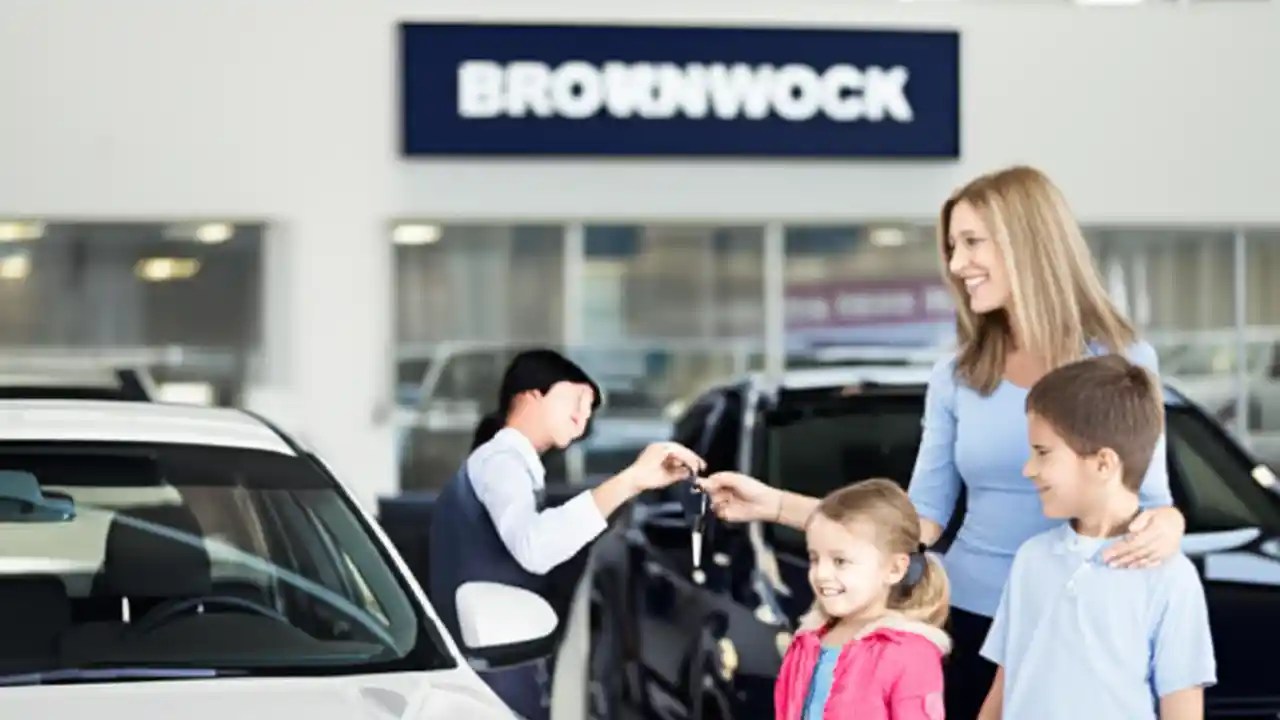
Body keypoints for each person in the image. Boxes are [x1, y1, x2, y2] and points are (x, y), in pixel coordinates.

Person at [698, 165, 1188, 719]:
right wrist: (773, 504)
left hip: (1083, 622)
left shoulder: (1123, 364)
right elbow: (912, 523)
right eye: (953, 248)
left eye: (973, 243)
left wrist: (1170, 524)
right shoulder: (957, 376)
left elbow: (1150, 498)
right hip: (971, 621)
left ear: (1027, 241)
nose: (957, 265)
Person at [427, 349, 705, 720]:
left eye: (589, 409)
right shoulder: (501, 462)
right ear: (532, 394)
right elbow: (536, 548)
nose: (582, 415)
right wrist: (631, 480)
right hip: (490, 681)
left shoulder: (508, 463)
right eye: (576, 400)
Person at [977, 354, 1215, 719]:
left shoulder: (1170, 577)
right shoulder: (1031, 559)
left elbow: (1182, 707)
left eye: (1043, 453)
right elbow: (1005, 685)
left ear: (1103, 463)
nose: (1029, 469)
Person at [775, 479, 951, 720]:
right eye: (815, 559)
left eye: (840, 561)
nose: (821, 574)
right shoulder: (805, 642)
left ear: (894, 569)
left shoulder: (911, 654)